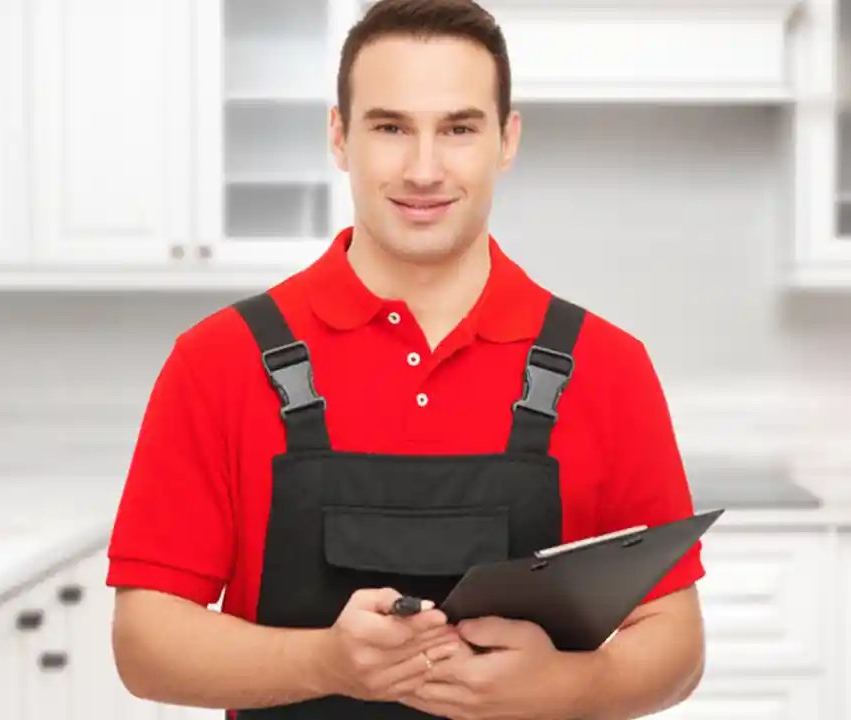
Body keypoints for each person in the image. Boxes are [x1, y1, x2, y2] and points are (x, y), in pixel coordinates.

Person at [106, 1, 706, 718]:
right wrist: (324, 662)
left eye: (458, 129)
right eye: (390, 128)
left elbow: (675, 641)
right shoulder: (219, 361)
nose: (424, 169)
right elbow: (145, 643)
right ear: (339, 137)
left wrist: (562, 687)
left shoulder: (606, 367)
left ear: (507, 140)